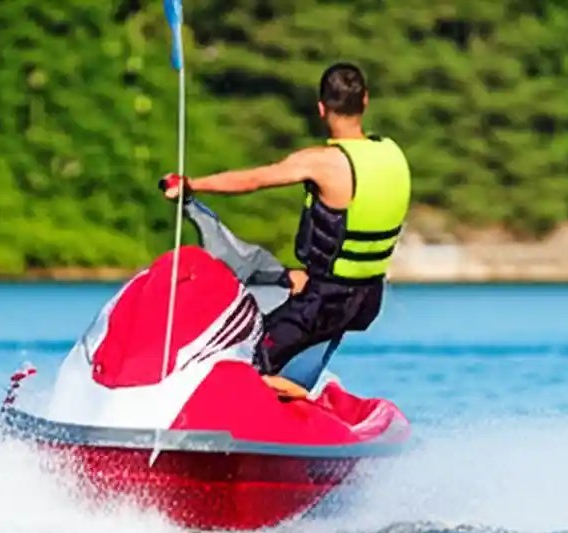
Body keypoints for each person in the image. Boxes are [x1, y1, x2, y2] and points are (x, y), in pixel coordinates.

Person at [159, 62, 411, 398]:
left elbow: (254, 179)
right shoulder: (392, 153)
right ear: (364, 101)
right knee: (286, 287)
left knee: (247, 357)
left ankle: (287, 395)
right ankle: (293, 387)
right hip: (367, 298)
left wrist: (192, 184)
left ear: (321, 108)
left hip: (326, 301)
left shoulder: (321, 161)